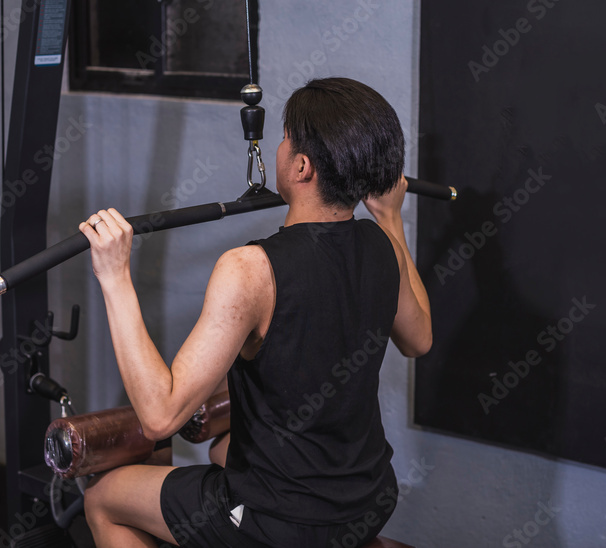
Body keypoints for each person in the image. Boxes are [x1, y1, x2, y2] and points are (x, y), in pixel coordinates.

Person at [78, 77, 432, 547]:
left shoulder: (250, 270)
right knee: (224, 448)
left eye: (285, 139)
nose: (280, 149)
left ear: (302, 166)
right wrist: (389, 217)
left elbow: (160, 417)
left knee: (104, 500)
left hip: (286, 522)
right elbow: (419, 339)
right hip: (368, 500)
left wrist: (114, 275)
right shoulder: (381, 245)